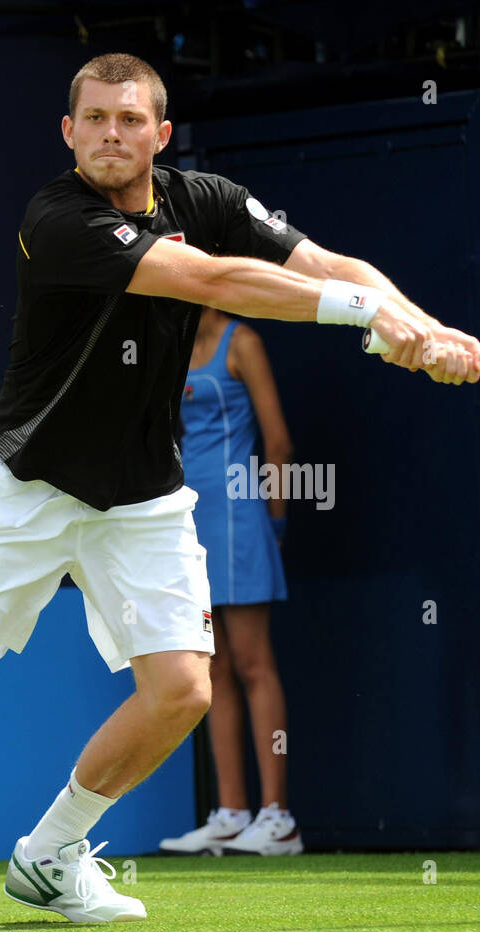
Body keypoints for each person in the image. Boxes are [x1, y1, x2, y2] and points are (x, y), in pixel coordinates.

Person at [0, 52, 480, 932]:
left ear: (160, 134)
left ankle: (49, 855)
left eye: (130, 120)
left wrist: (422, 327)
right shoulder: (58, 219)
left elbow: (329, 259)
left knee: (184, 691)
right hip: (23, 487)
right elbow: (215, 281)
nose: (111, 134)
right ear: (69, 131)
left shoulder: (211, 199)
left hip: (143, 498)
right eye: (95, 119)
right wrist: (369, 319)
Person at [159, 307, 299, 856]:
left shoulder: (243, 343)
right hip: (191, 521)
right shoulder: (171, 345)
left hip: (242, 519)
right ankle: (232, 812)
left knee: (252, 663)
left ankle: (278, 819)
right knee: (212, 666)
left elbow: (279, 443)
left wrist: (277, 520)